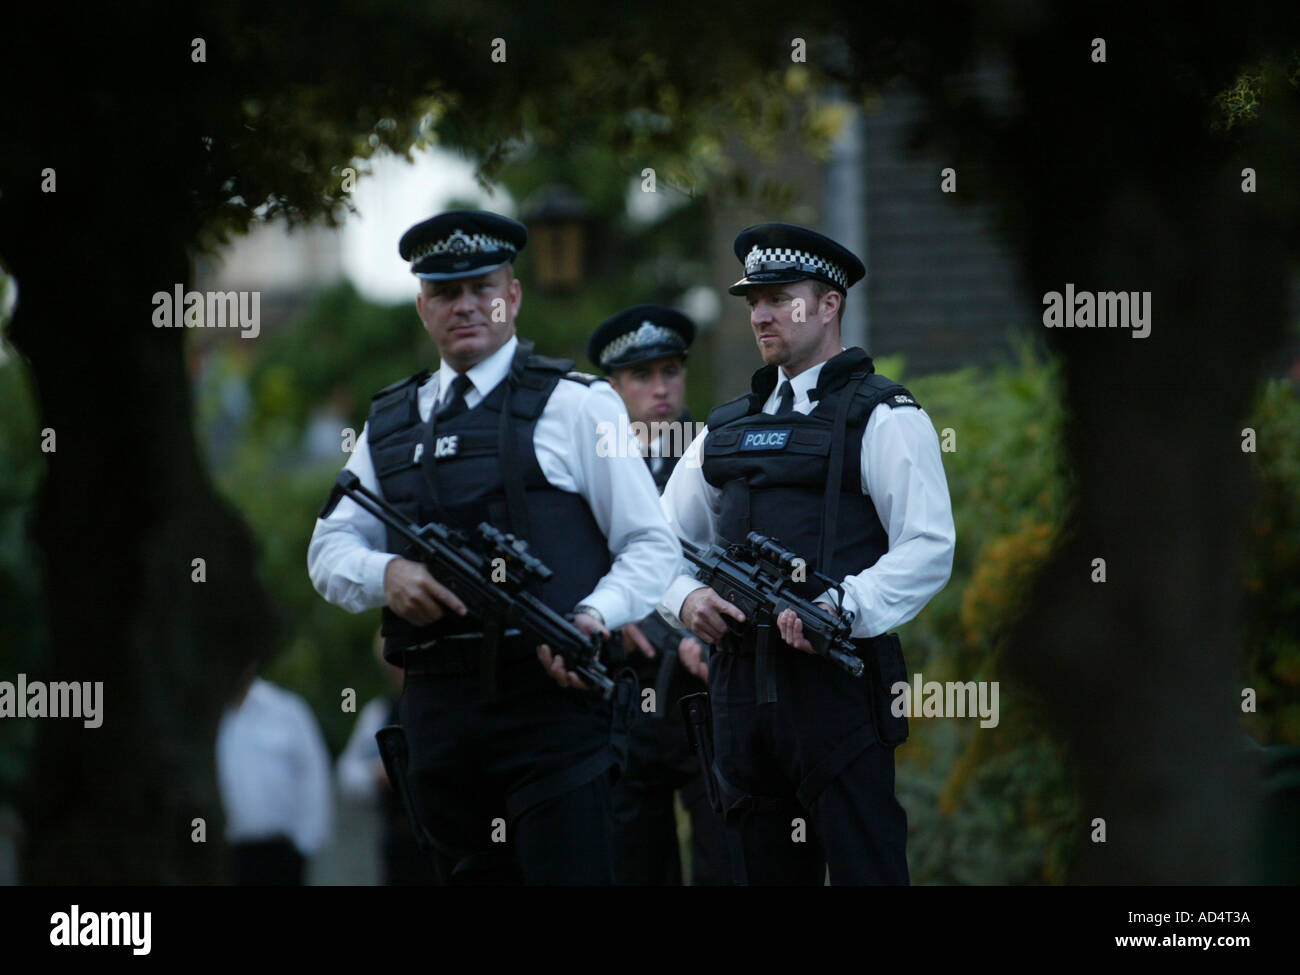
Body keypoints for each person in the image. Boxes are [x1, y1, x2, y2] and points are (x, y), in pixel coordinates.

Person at [308, 210, 679, 885]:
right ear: (424, 307)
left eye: (483, 287)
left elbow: (651, 545)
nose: (467, 306)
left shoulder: (578, 405)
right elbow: (329, 547)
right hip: (442, 722)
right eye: (447, 292)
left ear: (513, 294)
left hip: (553, 708)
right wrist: (386, 572)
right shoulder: (392, 421)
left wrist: (594, 616)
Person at [658, 223, 956, 885]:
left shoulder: (883, 416)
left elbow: (928, 545)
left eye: (780, 298)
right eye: (753, 300)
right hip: (740, 703)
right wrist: (685, 598)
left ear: (830, 304)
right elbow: (657, 543)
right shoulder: (726, 428)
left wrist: (844, 605)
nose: (761, 314)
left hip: (838, 697)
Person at [586, 305, 729, 885]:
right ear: (615, 387)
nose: (660, 387)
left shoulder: (720, 451)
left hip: (705, 684)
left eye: (670, 371)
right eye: (642, 376)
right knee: (634, 861)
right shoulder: (590, 465)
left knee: (727, 857)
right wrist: (606, 609)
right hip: (623, 689)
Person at [216, 662, 333, 885]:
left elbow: (314, 777)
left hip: (279, 853)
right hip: (222, 854)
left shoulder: (287, 710)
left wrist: (305, 844)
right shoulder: (200, 716)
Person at [336, 632, 436, 885]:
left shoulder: (449, 709)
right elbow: (349, 774)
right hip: (401, 841)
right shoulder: (379, 712)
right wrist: (379, 775)